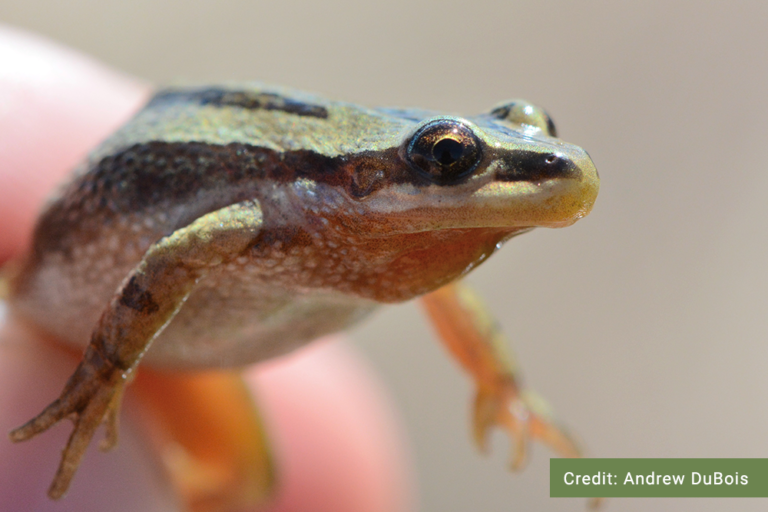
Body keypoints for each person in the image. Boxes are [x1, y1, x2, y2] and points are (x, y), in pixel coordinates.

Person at [0, 25, 413, 512]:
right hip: (58, 267)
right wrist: (104, 372)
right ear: (363, 175)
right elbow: (176, 256)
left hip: (179, 337)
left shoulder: (416, 230)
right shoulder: (279, 205)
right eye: (448, 156)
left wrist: (497, 382)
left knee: (247, 480)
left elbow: (444, 284)